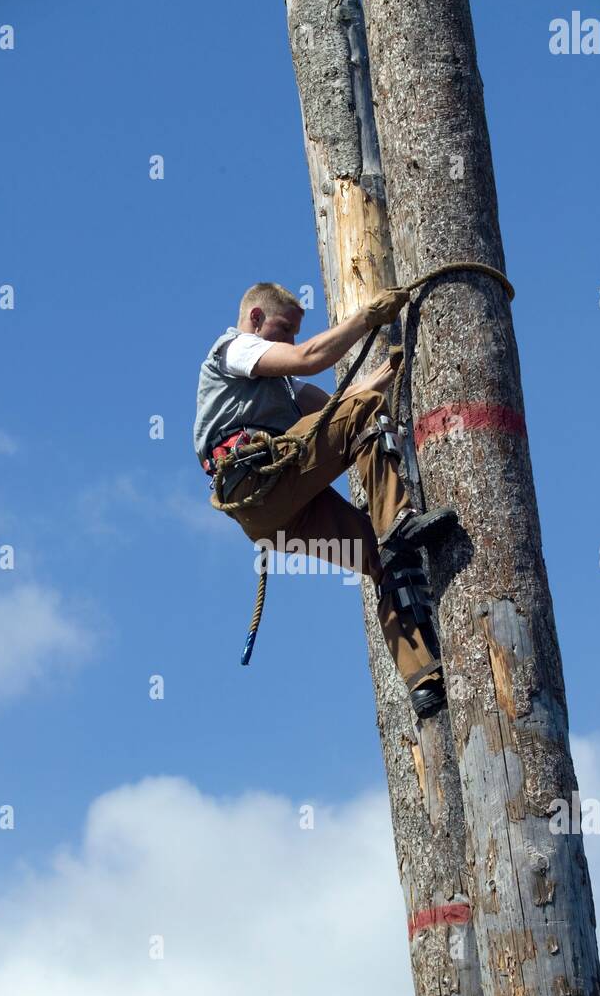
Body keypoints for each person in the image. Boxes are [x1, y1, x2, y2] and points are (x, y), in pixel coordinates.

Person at [193, 282, 459, 719]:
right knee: (369, 421)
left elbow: (348, 402)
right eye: (286, 329)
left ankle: (423, 680)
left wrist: (395, 363)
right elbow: (311, 358)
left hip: (272, 514)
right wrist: (366, 317)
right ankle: (398, 517)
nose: (292, 342)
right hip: (258, 477)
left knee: (380, 556)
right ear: (256, 319)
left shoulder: (283, 388)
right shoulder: (234, 347)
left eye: (297, 333)